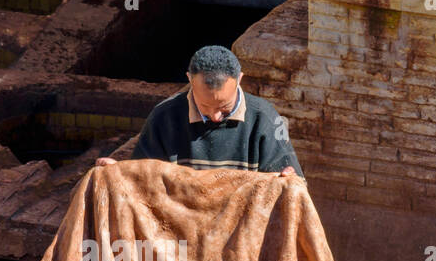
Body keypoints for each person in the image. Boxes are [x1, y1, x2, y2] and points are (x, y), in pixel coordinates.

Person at [95, 45, 302, 178]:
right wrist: (120, 174)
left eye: (224, 107)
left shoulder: (265, 117)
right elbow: (143, 181)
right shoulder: (164, 117)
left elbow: (294, 185)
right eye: (204, 106)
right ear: (189, 80)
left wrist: (287, 181)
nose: (215, 117)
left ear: (239, 79)